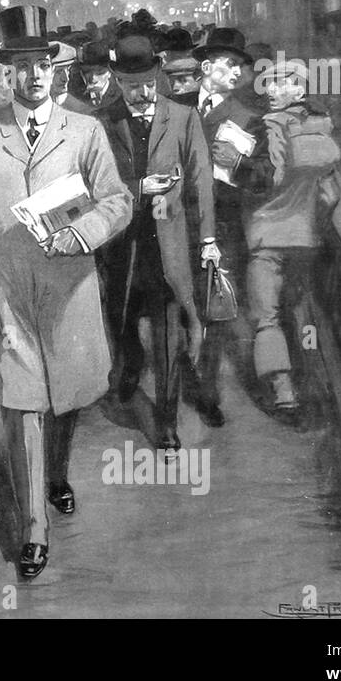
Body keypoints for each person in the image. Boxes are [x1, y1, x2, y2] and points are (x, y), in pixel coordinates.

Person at [0, 5, 132, 580]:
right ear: (7, 76)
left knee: (65, 396)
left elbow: (118, 201)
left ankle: (57, 472)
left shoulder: (87, 131)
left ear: (56, 70)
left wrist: (81, 232)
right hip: (10, 290)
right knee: (21, 404)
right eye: (21, 66)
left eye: (42, 64)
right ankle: (33, 528)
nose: (34, 76)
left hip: (70, 286)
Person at [96, 35, 218, 452]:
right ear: (117, 81)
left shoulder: (183, 117)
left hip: (167, 249)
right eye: (132, 85)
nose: (142, 92)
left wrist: (208, 240)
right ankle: (129, 365)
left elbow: (201, 181)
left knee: (169, 334)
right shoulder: (101, 121)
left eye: (148, 82)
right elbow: (95, 185)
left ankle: (166, 422)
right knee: (122, 323)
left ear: (157, 76)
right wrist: (140, 187)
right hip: (121, 247)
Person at [172, 27, 271, 424]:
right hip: (176, 223)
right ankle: (178, 378)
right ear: (207, 66)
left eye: (241, 66)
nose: (237, 73)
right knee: (178, 306)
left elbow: (265, 177)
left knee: (215, 310)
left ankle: (206, 393)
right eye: (229, 64)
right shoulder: (175, 107)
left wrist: (240, 163)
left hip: (223, 227)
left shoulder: (249, 117)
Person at [246, 60, 340, 426]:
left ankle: (284, 391)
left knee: (267, 316)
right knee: (301, 309)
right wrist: (314, 226)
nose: (270, 90)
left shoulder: (270, 127)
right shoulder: (321, 127)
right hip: (305, 238)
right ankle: (316, 383)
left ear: (298, 91)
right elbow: (330, 195)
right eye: (269, 84)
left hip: (266, 238)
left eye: (281, 84)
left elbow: (269, 178)